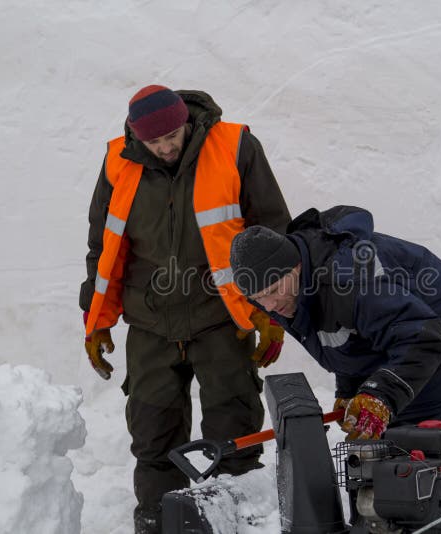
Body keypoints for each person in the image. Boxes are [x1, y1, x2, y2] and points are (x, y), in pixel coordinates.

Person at [80, 85, 290, 533]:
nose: (166, 147)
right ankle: (158, 520)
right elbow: (104, 246)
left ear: (186, 122)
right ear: (138, 138)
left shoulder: (234, 146)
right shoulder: (119, 161)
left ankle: (234, 517)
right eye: (155, 142)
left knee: (234, 434)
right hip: (151, 321)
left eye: (172, 136)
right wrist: (96, 320)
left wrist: (271, 313)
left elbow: (272, 231)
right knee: (153, 434)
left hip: (222, 318)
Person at [229, 205, 441, 440]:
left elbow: (422, 338)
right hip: (417, 346)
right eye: (258, 298)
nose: (270, 305)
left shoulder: (345, 279)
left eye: (273, 291)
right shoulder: (290, 293)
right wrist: (349, 390)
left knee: (421, 467)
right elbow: (349, 335)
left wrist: (379, 395)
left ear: (296, 266)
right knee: (392, 468)